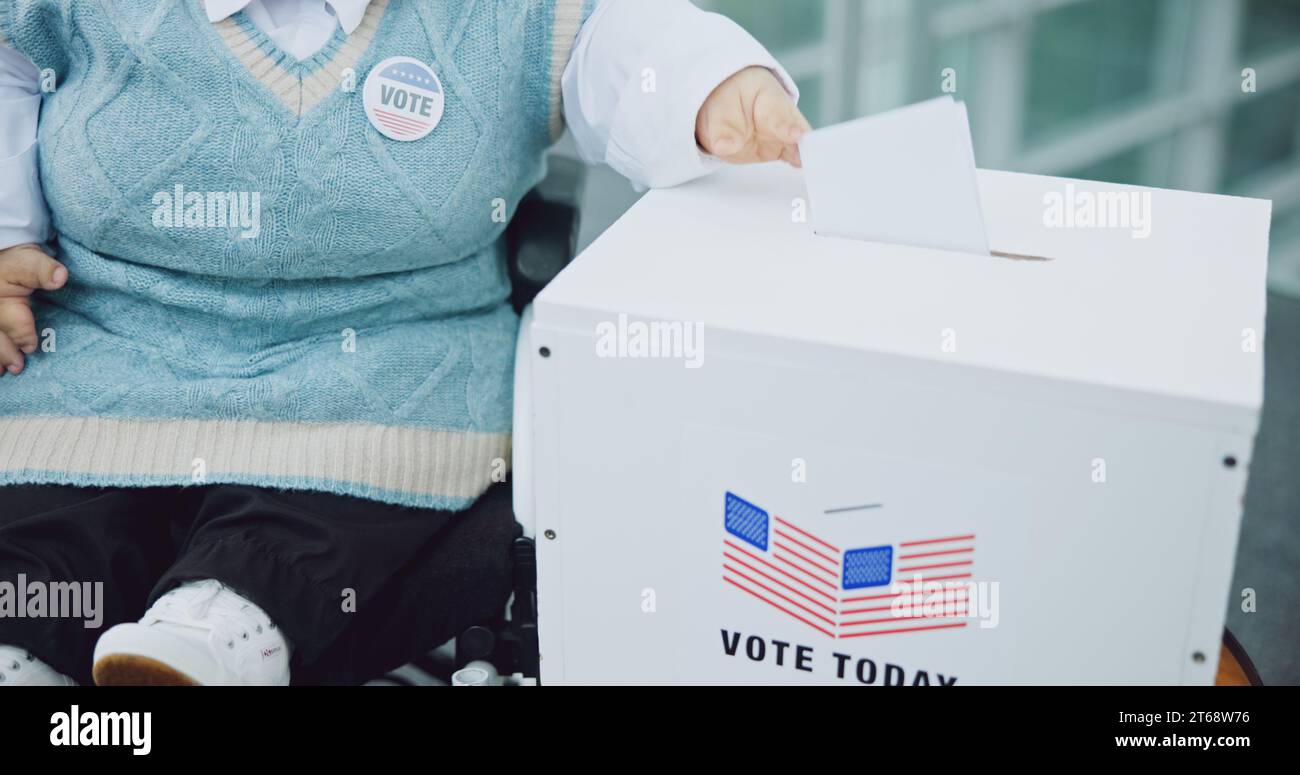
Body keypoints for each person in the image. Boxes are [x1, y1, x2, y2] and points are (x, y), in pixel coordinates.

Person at [0, 0, 809, 685]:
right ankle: (30, 636)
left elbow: (617, 41)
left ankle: (224, 625)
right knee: (52, 520)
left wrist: (708, 85)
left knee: (313, 517)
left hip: (384, 364)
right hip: (113, 347)